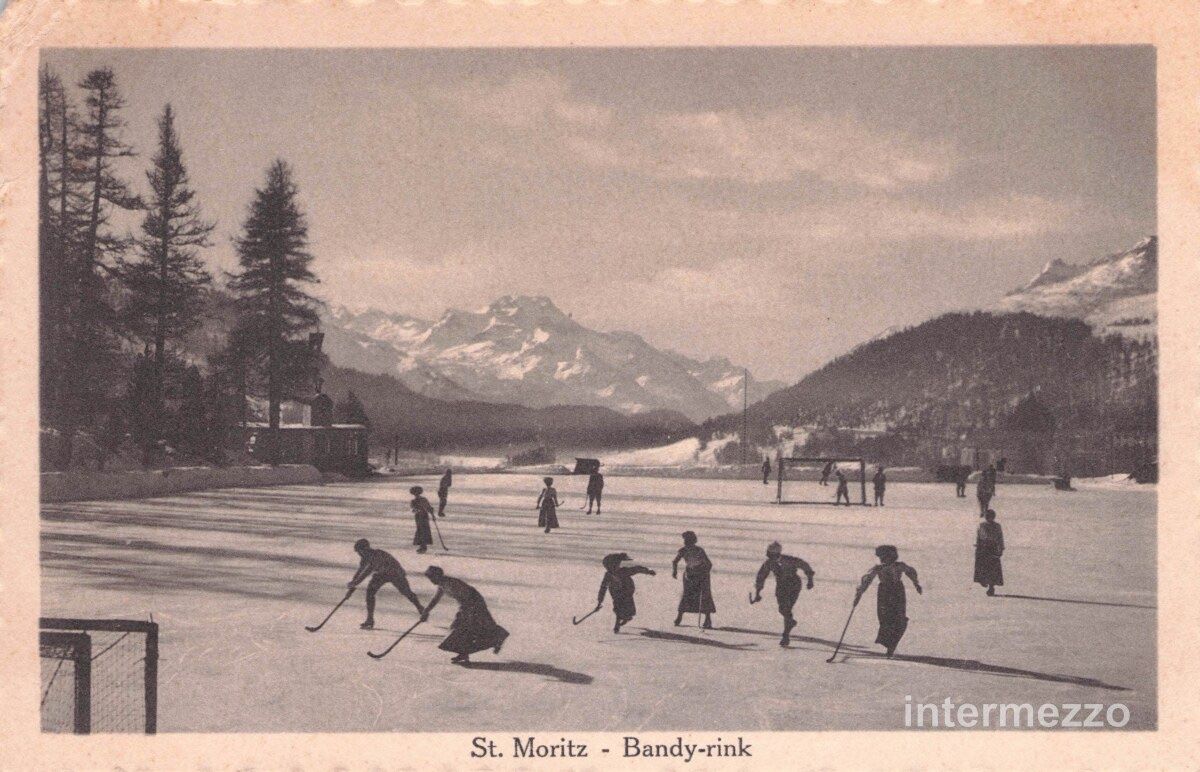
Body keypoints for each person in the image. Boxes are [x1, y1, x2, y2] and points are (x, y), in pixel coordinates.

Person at [421, 566, 509, 665]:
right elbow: (435, 599)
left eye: (432, 577)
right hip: (466, 606)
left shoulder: (452, 583)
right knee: (459, 631)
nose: (431, 580)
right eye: (430, 578)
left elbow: (469, 596)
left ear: (438, 575)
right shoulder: (442, 585)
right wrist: (426, 611)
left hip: (474, 604)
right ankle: (465, 652)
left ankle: (497, 638)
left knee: (465, 630)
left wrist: (468, 612)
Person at [854, 545, 922, 657]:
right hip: (884, 593)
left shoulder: (899, 566)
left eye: (884, 557)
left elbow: (910, 572)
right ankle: (890, 645)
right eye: (881, 557)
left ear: (892, 557)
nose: (881, 560)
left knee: (899, 619)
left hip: (897, 592)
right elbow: (866, 579)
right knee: (886, 619)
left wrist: (916, 583)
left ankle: (892, 645)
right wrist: (859, 593)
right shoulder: (878, 568)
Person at [347, 539, 424, 629]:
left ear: (366, 549)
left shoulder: (376, 555)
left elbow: (366, 572)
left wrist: (355, 583)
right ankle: (370, 619)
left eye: (360, 551)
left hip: (395, 573)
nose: (359, 554)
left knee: (407, 592)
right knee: (370, 593)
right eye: (358, 552)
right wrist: (351, 587)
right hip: (381, 574)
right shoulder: (364, 557)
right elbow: (359, 572)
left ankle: (420, 608)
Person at [752, 542, 815, 647]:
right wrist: (758, 592)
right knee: (782, 609)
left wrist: (810, 580)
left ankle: (786, 635)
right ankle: (790, 622)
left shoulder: (790, 560)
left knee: (787, 609)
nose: (770, 557)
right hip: (781, 586)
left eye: (772, 555)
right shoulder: (768, 563)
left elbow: (804, 565)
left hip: (794, 585)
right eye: (769, 555)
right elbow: (761, 576)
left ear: (777, 554)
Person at [595, 552, 656, 633]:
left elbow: (637, 569)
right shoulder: (608, 575)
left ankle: (626, 617)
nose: (614, 568)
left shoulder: (624, 571)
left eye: (615, 566)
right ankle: (617, 624)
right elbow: (603, 588)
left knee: (629, 609)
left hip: (627, 592)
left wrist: (648, 571)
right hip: (616, 594)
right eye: (610, 567)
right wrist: (600, 601)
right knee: (618, 609)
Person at [672, 531, 716, 628]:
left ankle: (707, 620)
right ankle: (679, 617)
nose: (686, 542)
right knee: (687, 595)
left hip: (700, 575)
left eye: (688, 540)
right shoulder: (683, 550)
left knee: (704, 596)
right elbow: (675, 562)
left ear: (692, 541)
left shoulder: (699, 550)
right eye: (685, 540)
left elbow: (709, 564)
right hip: (690, 576)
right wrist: (674, 571)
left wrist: (704, 573)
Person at [974, 509, 1005, 596]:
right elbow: (978, 537)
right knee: (983, 567)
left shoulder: (997, 526)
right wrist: (977, 546)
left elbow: (1000, 538)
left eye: (990, 517)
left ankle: (991, 587)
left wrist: (1001, 548)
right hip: (983, 549)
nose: (989, 519)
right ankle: (983, 581)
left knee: (993, 569)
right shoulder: (982, 525)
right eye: (987, 517)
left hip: (993, 549)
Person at [409, 486, 434, 553]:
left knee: (424, 530)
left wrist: (432, 514)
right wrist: (416, 510)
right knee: (420, 531)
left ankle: (423, 546)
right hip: (418, 517)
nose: (416, 494)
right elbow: (413, 510)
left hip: (424, 516)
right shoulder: (413, 501)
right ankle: (422, 546)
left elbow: (429, 507)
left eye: (417, 493)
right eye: (415, 493)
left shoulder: (424, 499)